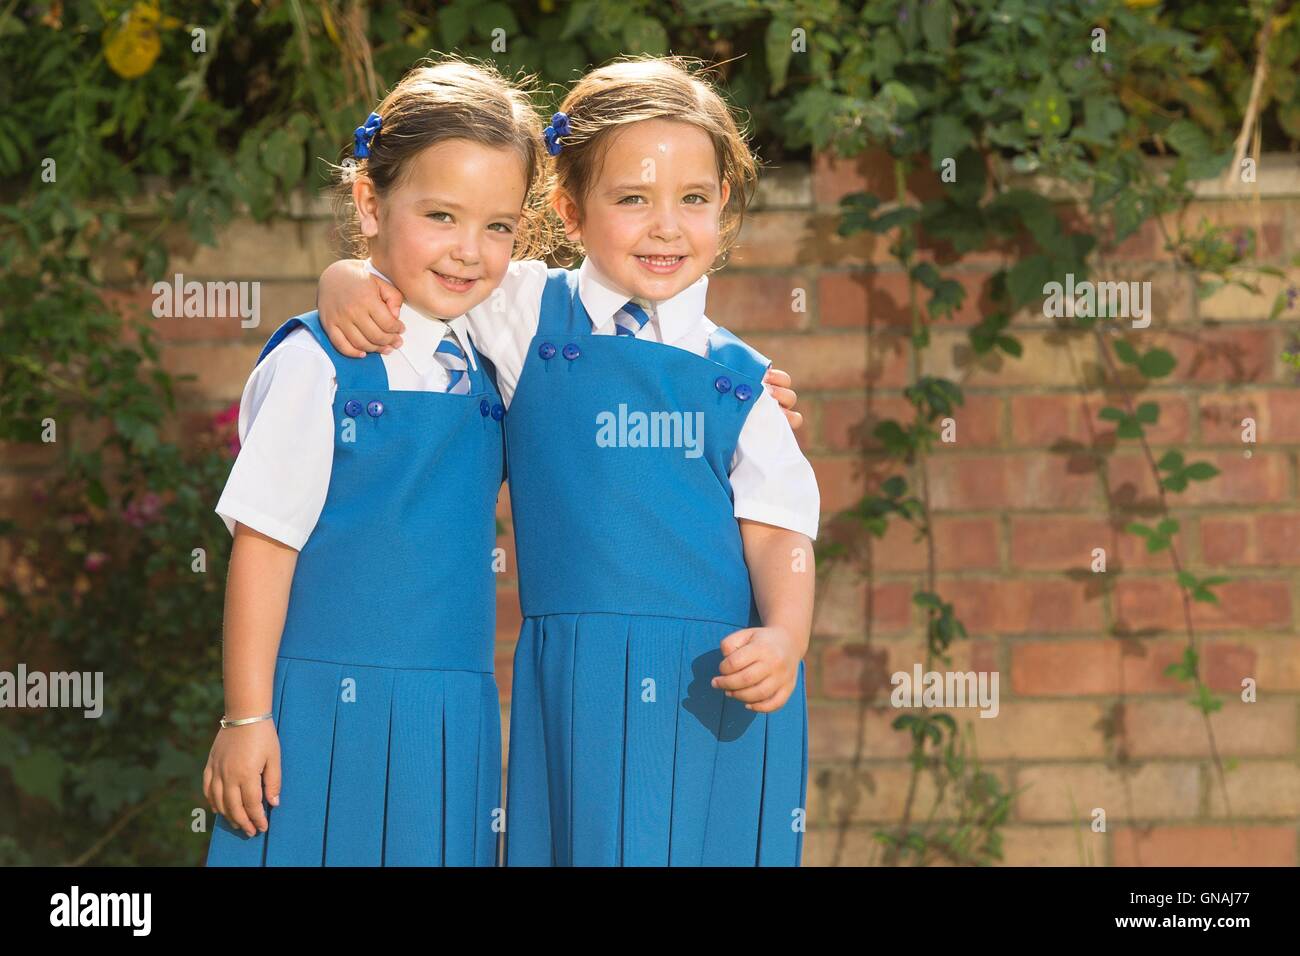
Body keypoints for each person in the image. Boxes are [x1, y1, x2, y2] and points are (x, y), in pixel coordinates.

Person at [316, 56, 817, 866]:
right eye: (632, 199)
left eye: (693, 199)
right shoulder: (520, 311)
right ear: (571, 210)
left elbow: (780, 528)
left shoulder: (746, 383)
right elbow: (427, 273)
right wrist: (345, 277)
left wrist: (787, 635)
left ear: (723, 206)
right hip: (577, 679)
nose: (665, 225)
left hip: (714, 680)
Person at [202, 58, 552, 866]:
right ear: (369, 202)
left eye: (499, 226)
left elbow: (622, 319)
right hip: (317, 713)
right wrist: (247, 718)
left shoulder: (497, 352)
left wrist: (744, 393)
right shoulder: (319, 363)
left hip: (452, 717)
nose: (470, 251)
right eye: (440, 215)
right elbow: (264, 545)